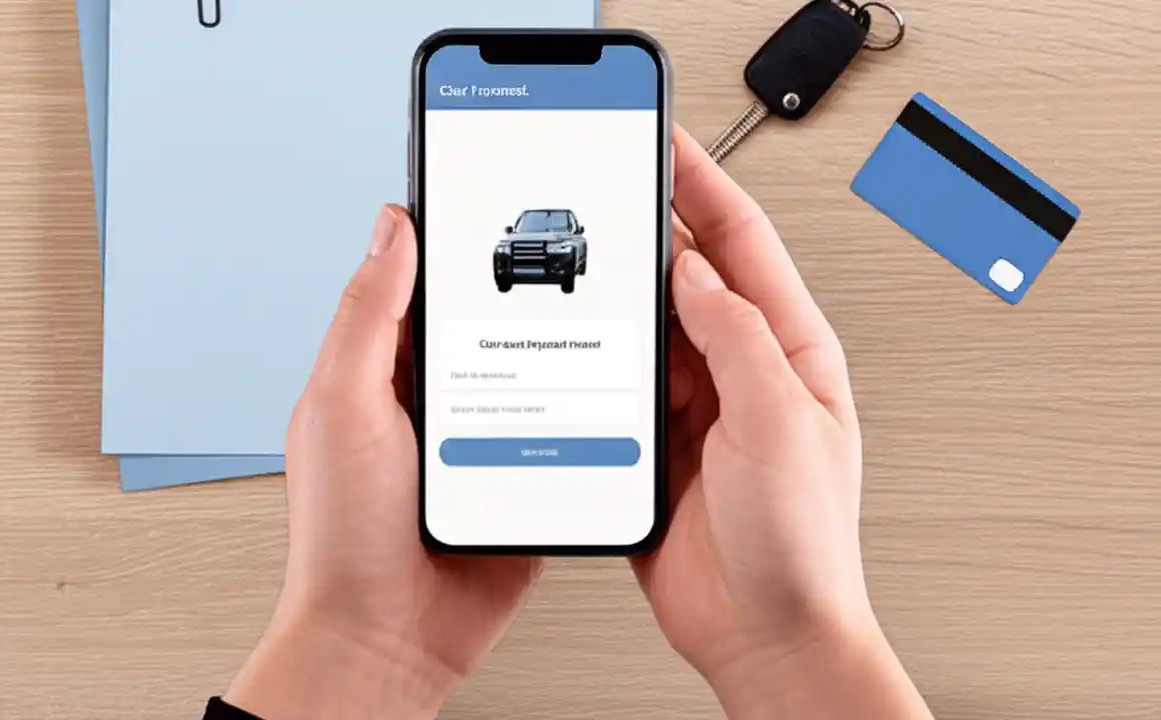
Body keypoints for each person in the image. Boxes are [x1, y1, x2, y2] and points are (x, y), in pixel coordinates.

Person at [203, 127, 935, 719]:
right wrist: (793, 648)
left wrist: (362, 648)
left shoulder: (564, 237)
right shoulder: (521, 239)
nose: (534, 242)